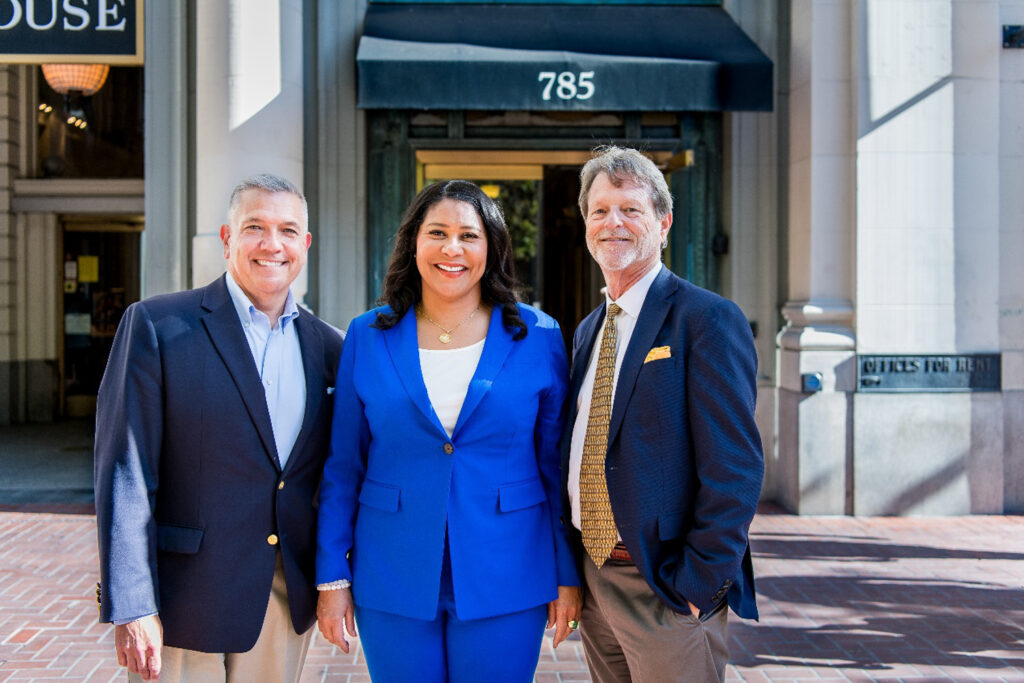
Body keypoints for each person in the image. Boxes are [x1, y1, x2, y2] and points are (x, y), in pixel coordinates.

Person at [315, 180, 581, 682]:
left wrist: (566, 574)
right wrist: (332, 574)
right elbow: (343, 464)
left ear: (493, 248)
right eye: (437, 232)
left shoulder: (538, 335)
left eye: (469, 235)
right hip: (391, 568)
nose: (452, 248)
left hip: (507, 569)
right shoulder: (367, 337)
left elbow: (554, 468)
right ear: (414, 243)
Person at [94, 174, 343, 682]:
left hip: (281, 595)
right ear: (227, 238)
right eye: (255, 226)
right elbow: (125, 471)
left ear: (306, 244)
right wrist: (133, 602)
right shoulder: (158, 327)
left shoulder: (331, 347)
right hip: (184, 598)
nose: (272, 244)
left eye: (288, 231)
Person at [562, 146, 764, 682]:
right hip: (596, 579)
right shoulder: (588, 331)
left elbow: (736, 469)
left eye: (631, 209)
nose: (614, 223)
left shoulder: (707, 319)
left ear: (664, 223)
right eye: (600, 211)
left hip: (665, 586)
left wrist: (698, 586)